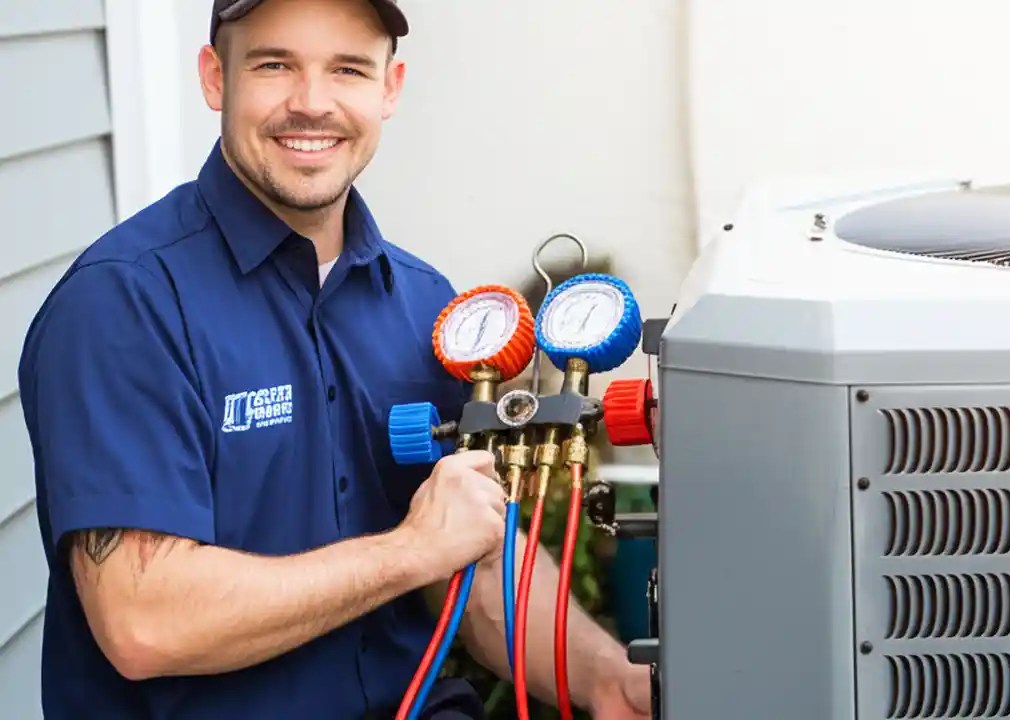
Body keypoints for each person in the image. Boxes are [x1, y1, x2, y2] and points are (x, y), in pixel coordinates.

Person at [16, 0, 652, 717]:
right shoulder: (126, 305)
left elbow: (469, 565)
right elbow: (144, 621)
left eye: (346, 68)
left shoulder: (423, 307)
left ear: (390, 88)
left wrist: (606, 679)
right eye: (275, 64)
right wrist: (408, 552)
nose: (311, 104)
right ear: (215, 77)